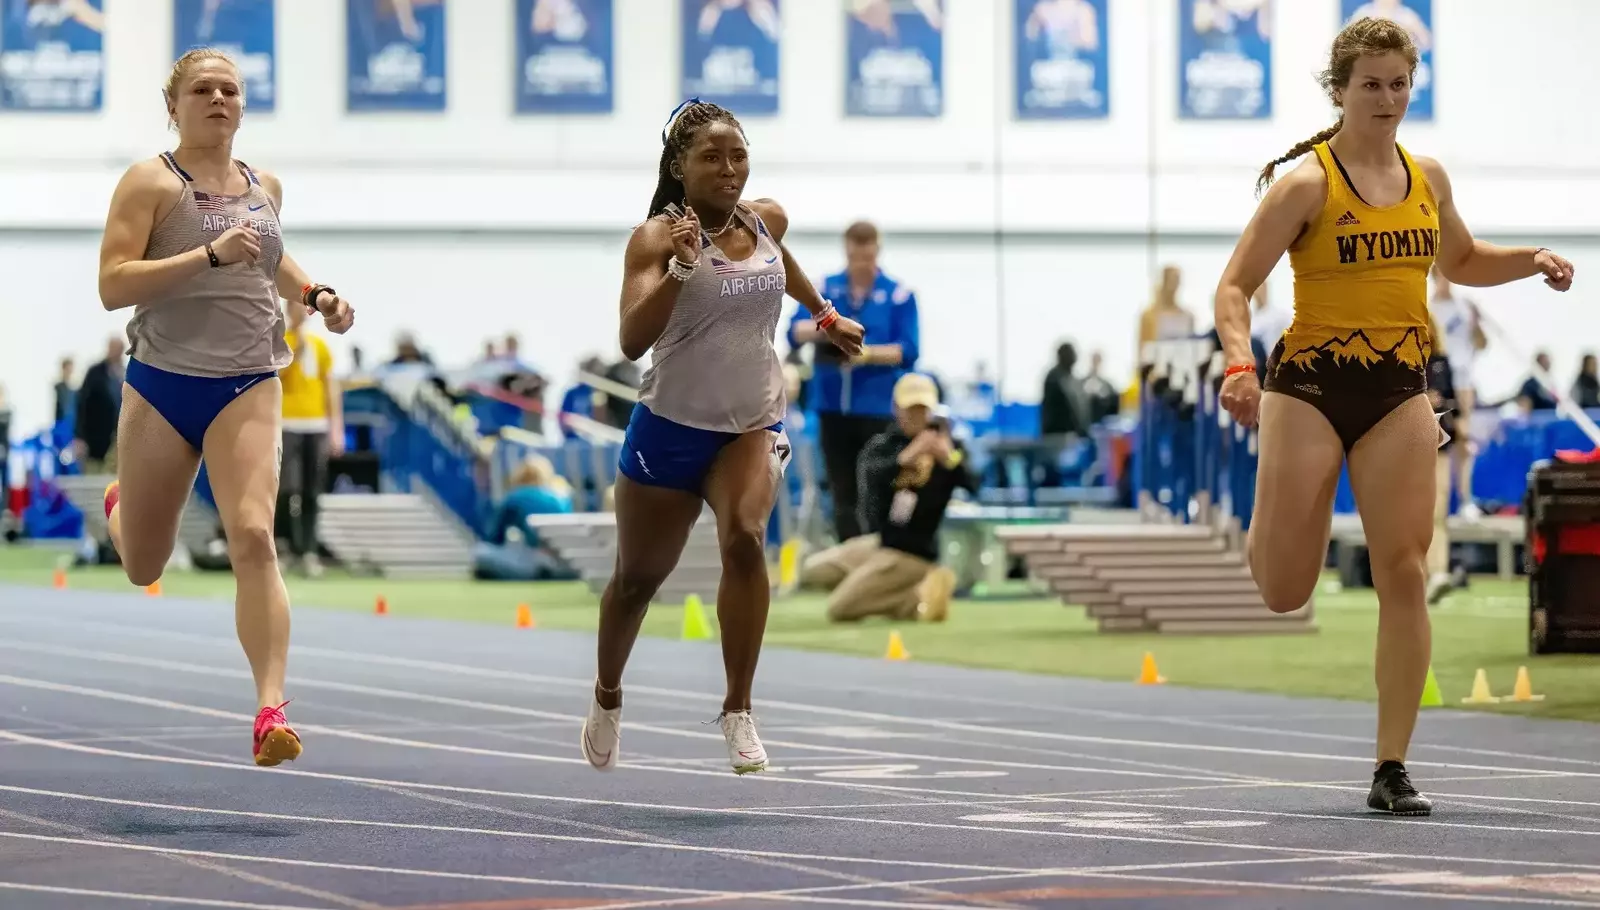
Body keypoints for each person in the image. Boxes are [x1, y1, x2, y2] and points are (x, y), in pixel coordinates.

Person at [1212, 17, 1573, 817]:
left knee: (1404, 570)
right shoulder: (1307, 183)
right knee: (1281, 588)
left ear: (1414, 87)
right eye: (1370, 83)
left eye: (1399, 83)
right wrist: (1241, 363)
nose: (1386, 97)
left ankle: (1391, 765)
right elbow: (1234, 288)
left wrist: (1533, 261)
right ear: (1340, 90)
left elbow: (1463, 261)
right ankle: (1267, 521)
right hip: (1306, 387)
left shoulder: (1428, 176)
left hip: (1399, 391)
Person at [581, 98, 865, 775]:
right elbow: (630, 341)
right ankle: (607, 696)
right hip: (671, 427)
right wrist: (681, 270)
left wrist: (824, 315)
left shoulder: (764, 218)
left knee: (744, 536)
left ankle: (739, 709)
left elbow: (779, 259)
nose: (728, 169)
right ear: (679, 168)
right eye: (711, 157)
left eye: (737, 155)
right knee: (637, 580)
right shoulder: (654, 239)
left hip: (752, 420)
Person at [96, 47, 356, 768]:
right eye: (203, 89)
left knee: (254, 534)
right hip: (162, 382)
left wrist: (316, 296)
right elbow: (114, 285)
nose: (218, 99)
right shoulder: (150, 182)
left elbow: (272, 257)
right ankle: (122, 509)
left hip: (248, 378)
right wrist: (208, 256)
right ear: (173, 105)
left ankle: (270, 709)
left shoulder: (262, 183)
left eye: (231, 90)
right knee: (144, 564)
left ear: (243, 106)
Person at [786, 220, 921, 544]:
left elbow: (909, 350)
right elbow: (794, 331)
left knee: (877, 483)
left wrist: (866, 353)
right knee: (840, 487)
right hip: (832, 405)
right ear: (846, 250)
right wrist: (830, 329)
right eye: (855, 251)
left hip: (876, 407)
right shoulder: (824, 289)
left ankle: (880, 550)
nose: (861, 259)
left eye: (867, 251)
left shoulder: (898, 295)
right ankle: (848, 553)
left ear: (877, 249)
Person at [801, 373, 966, 623]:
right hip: (882, 542)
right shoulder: (885, 447)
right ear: (896, 408)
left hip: (914, 553)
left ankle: (915, 595)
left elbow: (972, 483)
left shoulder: (950, 449)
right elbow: (871, 486)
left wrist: (949, 459)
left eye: (922, 410)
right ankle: (906, 597)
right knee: (813, 571)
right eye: (910, 409)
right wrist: (904, 461)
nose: (916, 416)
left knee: (840, 609)